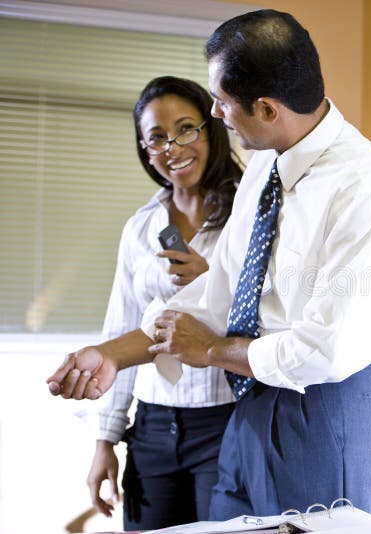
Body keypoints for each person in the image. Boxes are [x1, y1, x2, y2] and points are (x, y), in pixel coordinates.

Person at [47, 9, 371, 520]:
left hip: (327, 412)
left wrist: (212, 351)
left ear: (267, 108)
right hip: (250, 408)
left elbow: (326, 349)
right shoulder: (266, 167)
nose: (217, 114)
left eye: (222, 103)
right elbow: (213, 297)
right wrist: (112, 355)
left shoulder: (369, 190)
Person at [83, 76, 243, 530]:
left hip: (226, 422)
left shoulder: (247, 217)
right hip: (152, 427)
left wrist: (212, 286)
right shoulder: (140, 228)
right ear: (144, 148)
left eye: (186, 128)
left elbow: (273, 313)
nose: (173, 146)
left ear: (211, 129)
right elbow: (120, 329)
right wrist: (104, 441)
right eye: (156, 137)